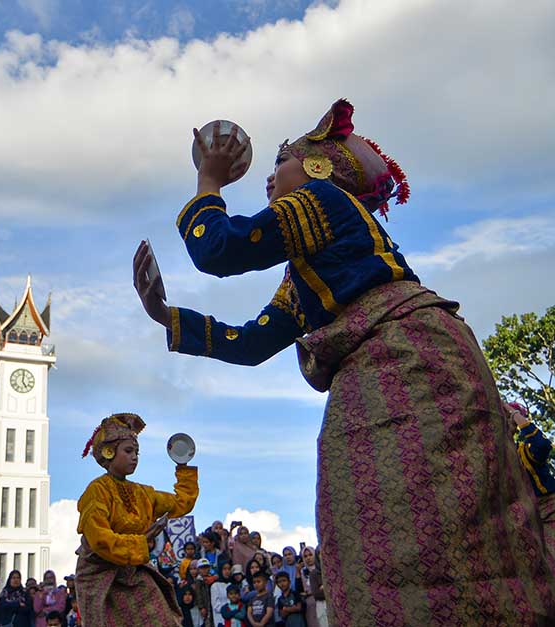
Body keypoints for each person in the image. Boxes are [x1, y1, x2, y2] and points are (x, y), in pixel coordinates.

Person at [132, 98, 555, 625]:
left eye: (280, 159)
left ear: (316, 166)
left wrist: (209, 177)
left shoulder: (322, 200)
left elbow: (219, 248)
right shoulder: (309, 265)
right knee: (391, 526)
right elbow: (251, 343)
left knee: (431, 523)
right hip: (402, 361)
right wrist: (167, 317)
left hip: (407, 361)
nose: (269, 175)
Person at [74, 413, 198, 627]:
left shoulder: (143, 493)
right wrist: (141, 542)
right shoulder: (97, 491)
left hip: (134, 572)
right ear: (109, 452)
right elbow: (99, 539)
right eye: (129, 451)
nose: (135, 457)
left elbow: (181, 503)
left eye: (137, 452)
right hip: (101, 577)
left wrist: (183, 466)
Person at [508, 401, 555, 555]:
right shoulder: (493, 454)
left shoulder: (524, 450)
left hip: (549, 508)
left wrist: (514, 414)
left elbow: (542, 445)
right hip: (523, 519)